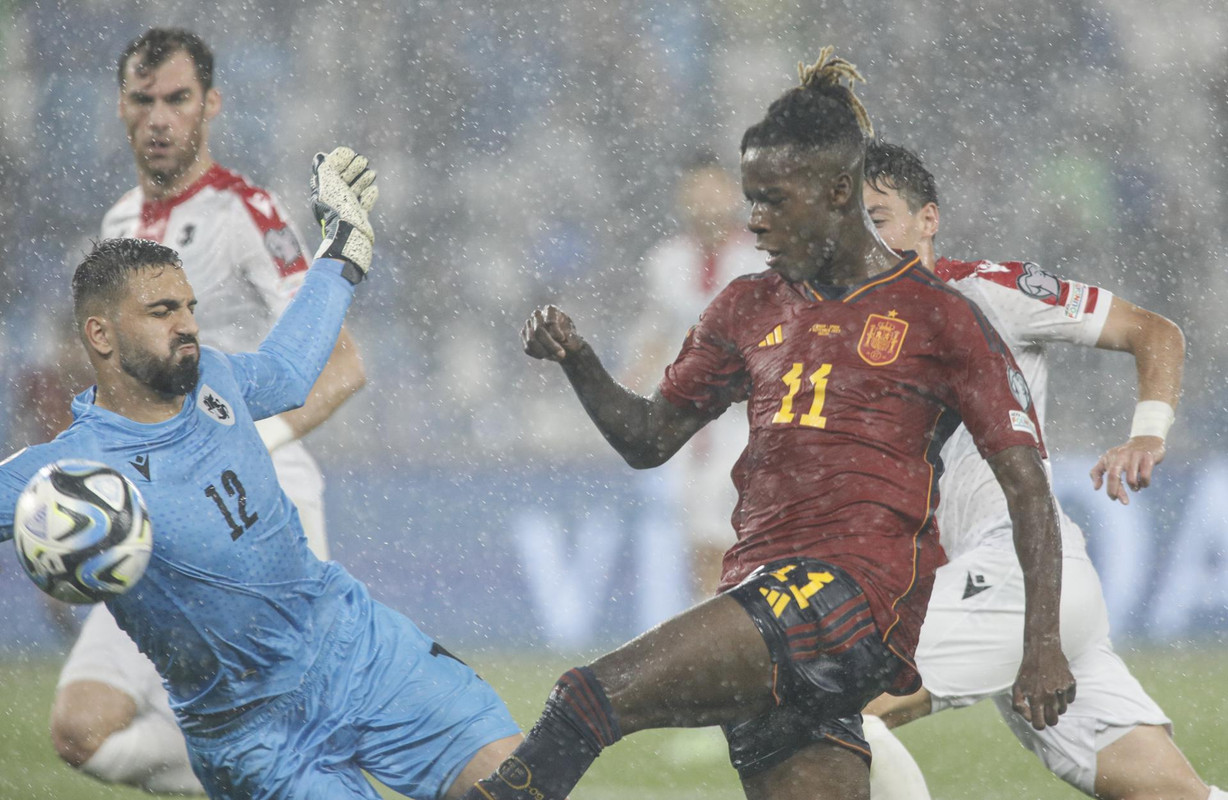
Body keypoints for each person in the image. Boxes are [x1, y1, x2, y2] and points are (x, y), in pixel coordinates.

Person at [459, 49, 1074, 800]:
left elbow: (1028, 488)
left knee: (588, 697)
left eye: (774, 200)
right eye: (751, 198)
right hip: (762, 597)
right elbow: (650, 440)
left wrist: (1041, 642)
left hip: (852, 597)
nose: (754, 220)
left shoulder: (941, 317)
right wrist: (579, 361)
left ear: (837, 191)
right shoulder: (749, 306)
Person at [1, 148, 522, 799]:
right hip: (253, 735)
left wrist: (344, 255)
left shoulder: (215, 377)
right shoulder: (67, 473)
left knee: (521, 784)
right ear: (101, 335)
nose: (187, 324)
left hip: (353, 645)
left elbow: (291, 367)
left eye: (188, 306)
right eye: (162, 312)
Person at [858, 139, 1226, 800]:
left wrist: (1147, 432)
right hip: (1017, 590)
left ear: (928, 220)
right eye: (855, 224)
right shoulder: (850, 338)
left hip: (1015, 570)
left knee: (839, 716)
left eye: (880, 217)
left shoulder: (991, 291)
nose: (869, 238)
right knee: (1168, 792)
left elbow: (1155, 331)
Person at [50, 28, 366, 795]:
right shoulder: (119, 223)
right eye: (144, 99)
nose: (160, 117)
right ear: (121, 107)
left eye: (178, 99)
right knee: (80, 730)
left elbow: (344, 363)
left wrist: (246, 444)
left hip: (258, 502)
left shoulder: (246, 212)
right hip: (154, 511)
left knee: (289, 728)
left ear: (211, 105)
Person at [622, 149, 760, 599]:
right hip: (683, 423)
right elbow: (653, 332)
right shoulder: (665, 261)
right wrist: (626, 392)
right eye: (695, 192)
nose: (704, 201)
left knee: (736, 535)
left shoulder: (757, 255)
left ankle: (740, 635)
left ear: (730, 194)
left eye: (713, 190)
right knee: (699, 539)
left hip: (743, 418)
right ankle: (709, 634)